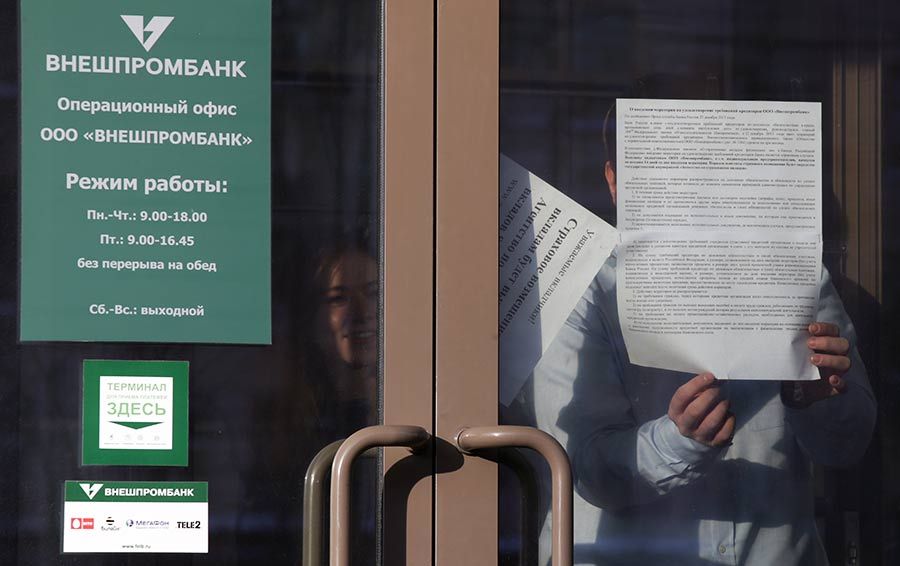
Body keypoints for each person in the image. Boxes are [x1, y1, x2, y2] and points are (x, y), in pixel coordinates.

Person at [532, 101, 877, 565]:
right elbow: (582, 469)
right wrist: (680, 441)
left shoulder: (797, 276)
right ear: (614, 182)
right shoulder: (583, 290)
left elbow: (848, 447)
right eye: (663, 167)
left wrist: (815, 399)